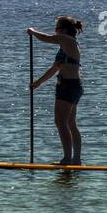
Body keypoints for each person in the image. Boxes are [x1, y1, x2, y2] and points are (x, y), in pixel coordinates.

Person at [28, 16, 84, 165]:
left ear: (64, 30)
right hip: (72, 86)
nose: (55, 31)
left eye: (57, 28)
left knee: (61, 122)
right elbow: (54, 68)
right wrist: (38, 83)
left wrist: (33, 32)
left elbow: (46, 38)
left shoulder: (68, 41)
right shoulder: (64, 48)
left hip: (69, 86)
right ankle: (75, 159)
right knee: (70, 123)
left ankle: (68, 159)